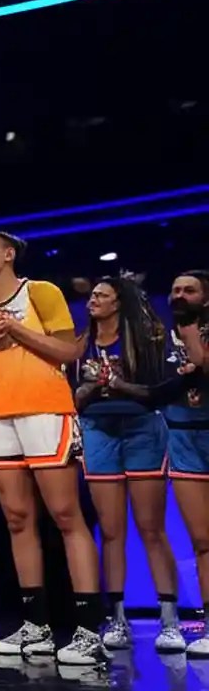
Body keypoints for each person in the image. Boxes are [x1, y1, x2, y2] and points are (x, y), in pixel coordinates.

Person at [0, 231, 104, 665]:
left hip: (44, 410)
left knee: (65, 515)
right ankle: (35, 625)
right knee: (18, 520)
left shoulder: (40, 292)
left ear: (9, 254)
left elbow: (66, 351)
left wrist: (16, 329)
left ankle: (88, 629)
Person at [74, 276, 184, 653]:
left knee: (151, 528)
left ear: (118, 303)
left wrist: (119, 384)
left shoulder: (148, 337)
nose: (93, 301)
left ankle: (170, 622)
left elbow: (159, 391)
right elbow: (74, 396)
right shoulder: (81, 342)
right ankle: (116, 619)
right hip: (98, 429)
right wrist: (92, 387)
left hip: (141, 427)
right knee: (110, 531)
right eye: (92, 296)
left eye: (102, 296)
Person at [164, 271, 209, 658]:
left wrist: (193, 333)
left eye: (189, 290)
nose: (180, 295)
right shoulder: (159, 340)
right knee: (203, 542)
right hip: (182, 440)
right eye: (175, 290)